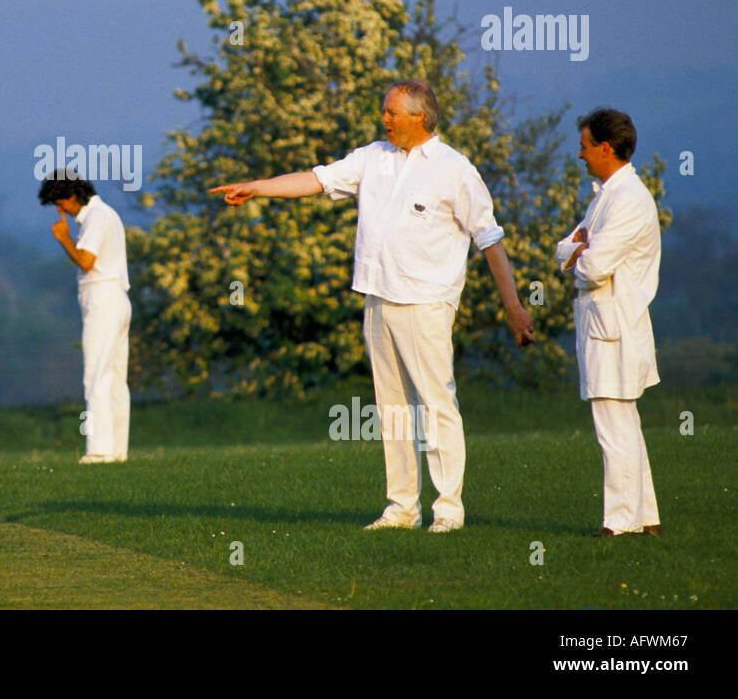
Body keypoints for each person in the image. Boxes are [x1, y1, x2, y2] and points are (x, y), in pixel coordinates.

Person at [211, 81, 534, 532]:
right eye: (384, 111)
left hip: (426, 302)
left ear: (420, 117)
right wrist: (258, 187)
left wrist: (514, 308)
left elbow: (490, 241)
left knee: (437, 403)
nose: (384, 119)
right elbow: (316, 179)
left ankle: (449, 510)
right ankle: (402, 508)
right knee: (393, 408)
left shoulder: (455, 170)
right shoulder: (372, 157)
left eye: (392, 112)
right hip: (378, 298)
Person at [556, 109, 662, 537]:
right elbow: (564, 248)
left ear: (605, 147)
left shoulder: (629, 200)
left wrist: (581, 253)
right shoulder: (605, 197)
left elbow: (592, 265)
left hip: (615, 327)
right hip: (604, 324)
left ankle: (621, 523)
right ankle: (646, 516)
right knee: (624, 423)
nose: (579, 155)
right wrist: (577, 251)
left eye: (584, 147)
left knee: (613, 426)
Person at [39, 171, 131, 464]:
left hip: (104, 299)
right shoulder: (106, 214)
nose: (60, 210)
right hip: (116, 298)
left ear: (71, 197)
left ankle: (100, 450)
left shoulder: (96, 218)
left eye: (60, 203)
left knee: (96, 375)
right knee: (114, 377)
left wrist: (64, 240)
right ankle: (116, 452)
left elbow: (86, 261)